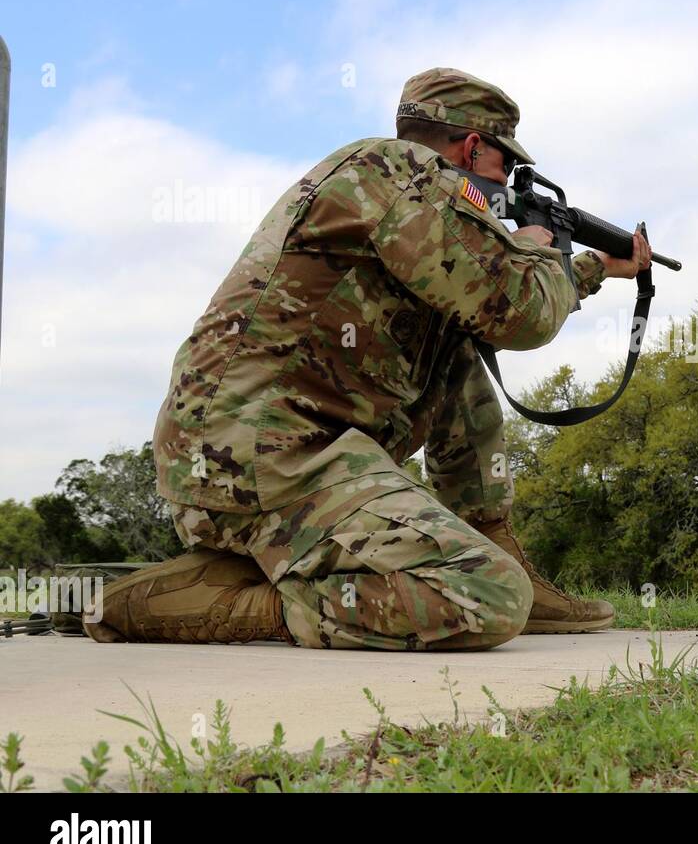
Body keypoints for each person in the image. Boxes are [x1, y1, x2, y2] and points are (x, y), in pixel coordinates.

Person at [86, 67, 651, 650]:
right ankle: (236, 601)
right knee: (489, 595)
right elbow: (522, 314)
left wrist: (591, 269)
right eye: (504, 166)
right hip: (256, 459)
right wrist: (542, 250)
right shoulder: (400, 176)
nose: (504, 182)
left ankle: (492, 538)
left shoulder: (403, 191)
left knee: (454, 348)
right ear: (473, 146)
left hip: (290, 451)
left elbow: (485, 307)